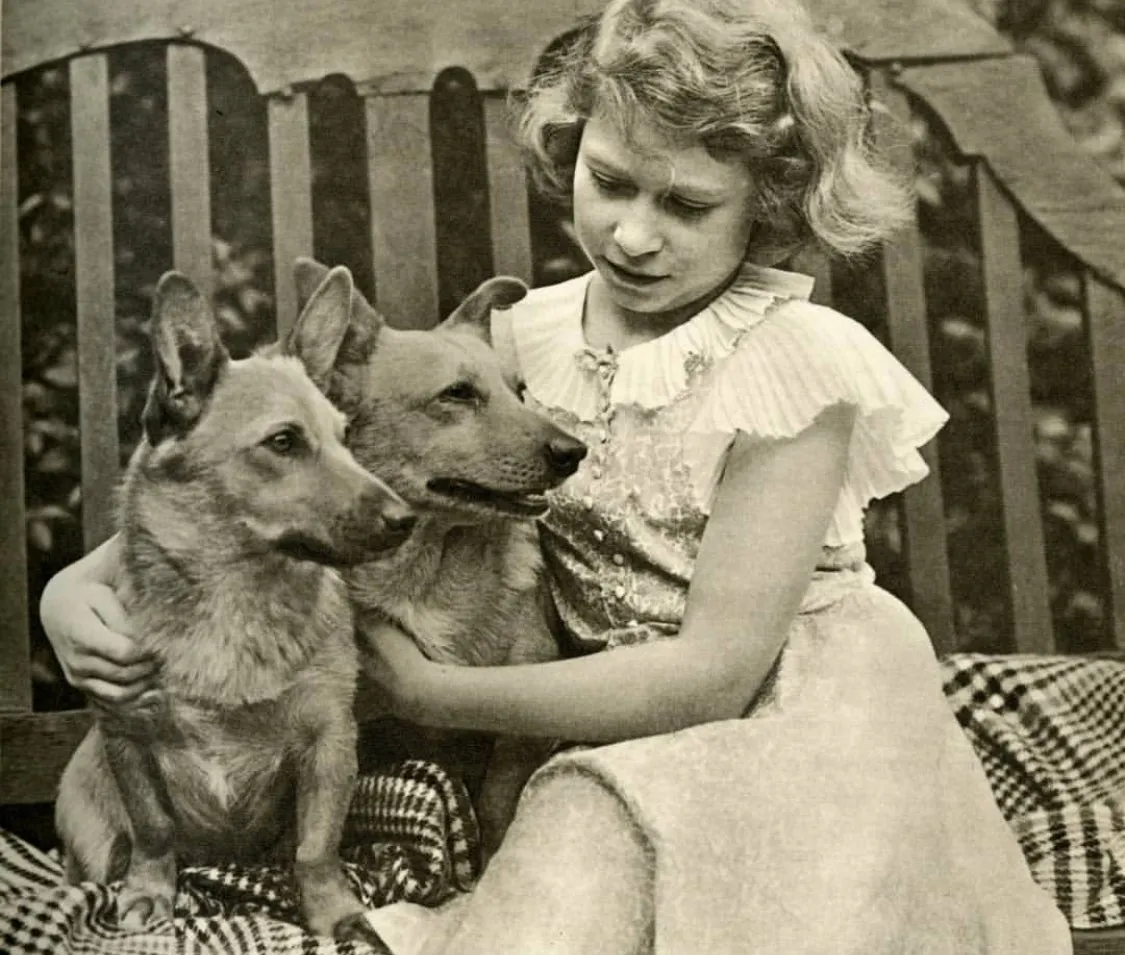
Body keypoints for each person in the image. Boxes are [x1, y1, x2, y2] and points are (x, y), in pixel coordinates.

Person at [41, 0, 1072, 952]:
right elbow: (248, 458)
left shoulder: (794, 363)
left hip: (791, 710)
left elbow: (716, 672)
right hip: (593, 718)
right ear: (569, 144)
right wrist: (70, 593)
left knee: (757, 887)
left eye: (686, 204)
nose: (633, 233)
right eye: (610, 180)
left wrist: (437, 694)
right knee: (576, 844)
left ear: (768, 208)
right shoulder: (523, 341)